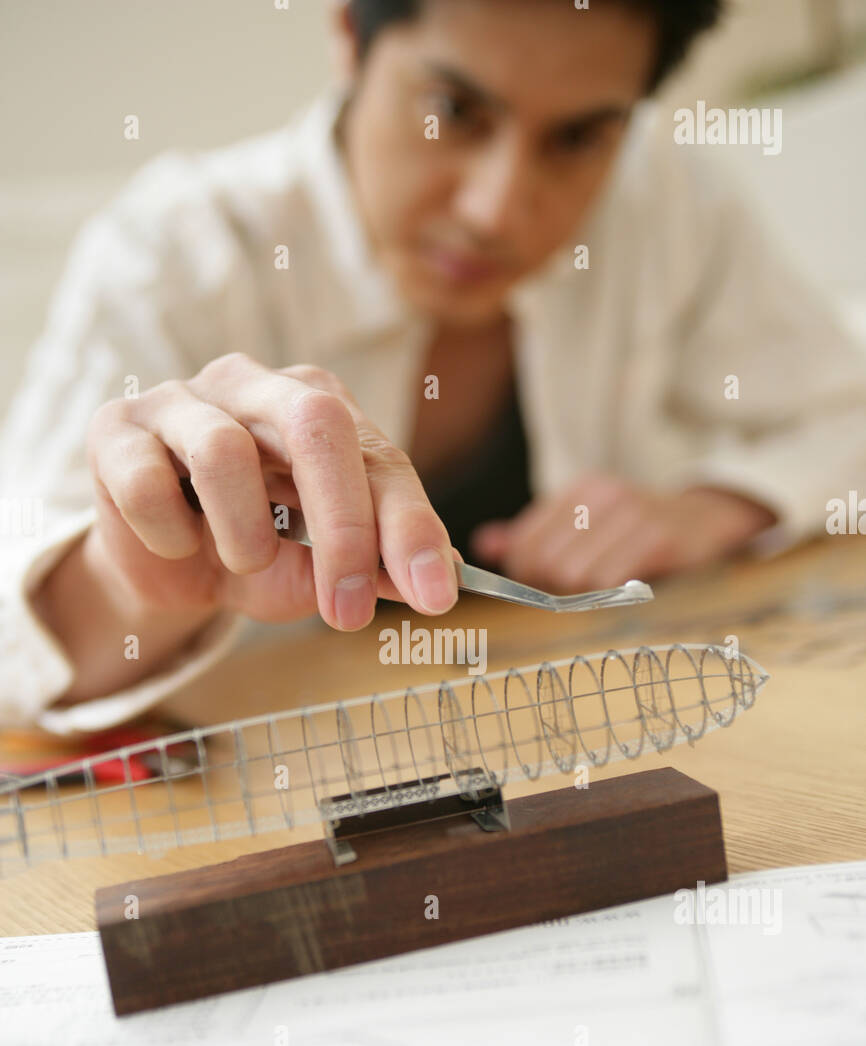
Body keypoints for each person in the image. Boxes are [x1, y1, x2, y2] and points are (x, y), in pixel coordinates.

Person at [2, 0, 865, 732]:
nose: (496, 210)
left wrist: (715, 506)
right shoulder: (174, 255)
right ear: (349, 34)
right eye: (453, 112)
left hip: (581, 740)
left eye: (577, 139)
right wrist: (130, 586)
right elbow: (15, 656)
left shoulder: (668, 201)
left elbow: (846, 412)